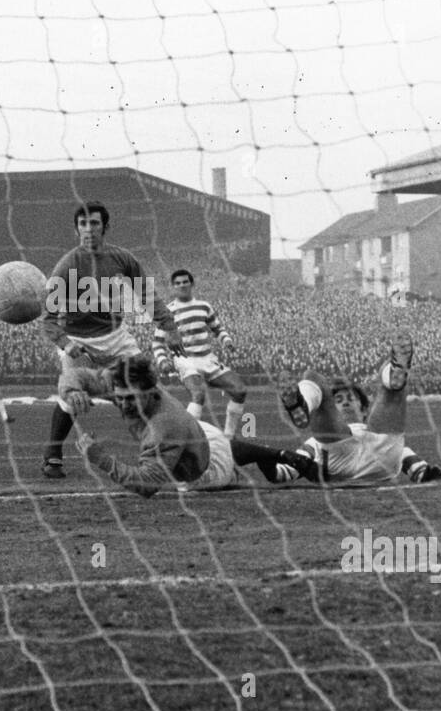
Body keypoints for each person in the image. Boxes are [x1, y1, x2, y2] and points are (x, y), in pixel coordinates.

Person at [39, 201, 183, 479]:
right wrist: (66, 344)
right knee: (72, 398)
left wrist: (170, 326)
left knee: (150, 392)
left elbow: (147, 295)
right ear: (76, 228)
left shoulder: (122, 259)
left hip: (117, 338)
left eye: (94, 223)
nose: (88, 229)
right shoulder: (67, 265)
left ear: (106, 226)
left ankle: (164, 454)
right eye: (82, 224)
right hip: (78, 340)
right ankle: (53, 456)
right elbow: (47, 318)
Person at [63, 355, 319, 497]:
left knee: (218, 463)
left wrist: (102, 459)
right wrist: (72, 390)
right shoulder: (124, 385)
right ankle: (276, 454)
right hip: (199, 433)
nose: (123, 403)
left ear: (152, 391)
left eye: (130, 398)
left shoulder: (164, 426)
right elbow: (77, 374)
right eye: (119, 396)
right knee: (207, 437)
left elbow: (147, 486)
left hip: (206, 473)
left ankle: (277, 463)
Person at [278, 337, 441, 486]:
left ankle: (396, 373)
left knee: (388, 375)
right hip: (340, 451)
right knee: (311, 376)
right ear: (330, 409)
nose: (345, 402)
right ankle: (300, 405)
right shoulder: (315, 441)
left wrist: (422, 472)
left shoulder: (376, 426)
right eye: (338, 400)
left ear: (364, 409)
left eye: (350, 399)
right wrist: (272, 464)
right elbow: (288, 469)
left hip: (378, 451)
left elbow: (405, 455)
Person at [152, 269, 248, 436]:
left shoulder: (204, 306)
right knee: (198, 394)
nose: (182, 285)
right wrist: (162, 360)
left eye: (185, 282)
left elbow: (217, 328)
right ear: (172, 287)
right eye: (178, 283)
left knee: (239, 390)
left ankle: (228, 437)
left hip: (208, 359)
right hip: (185, 360)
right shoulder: (168, 312)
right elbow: (157, 342)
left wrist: (227, 340)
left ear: (192, 284)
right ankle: (186, 438)